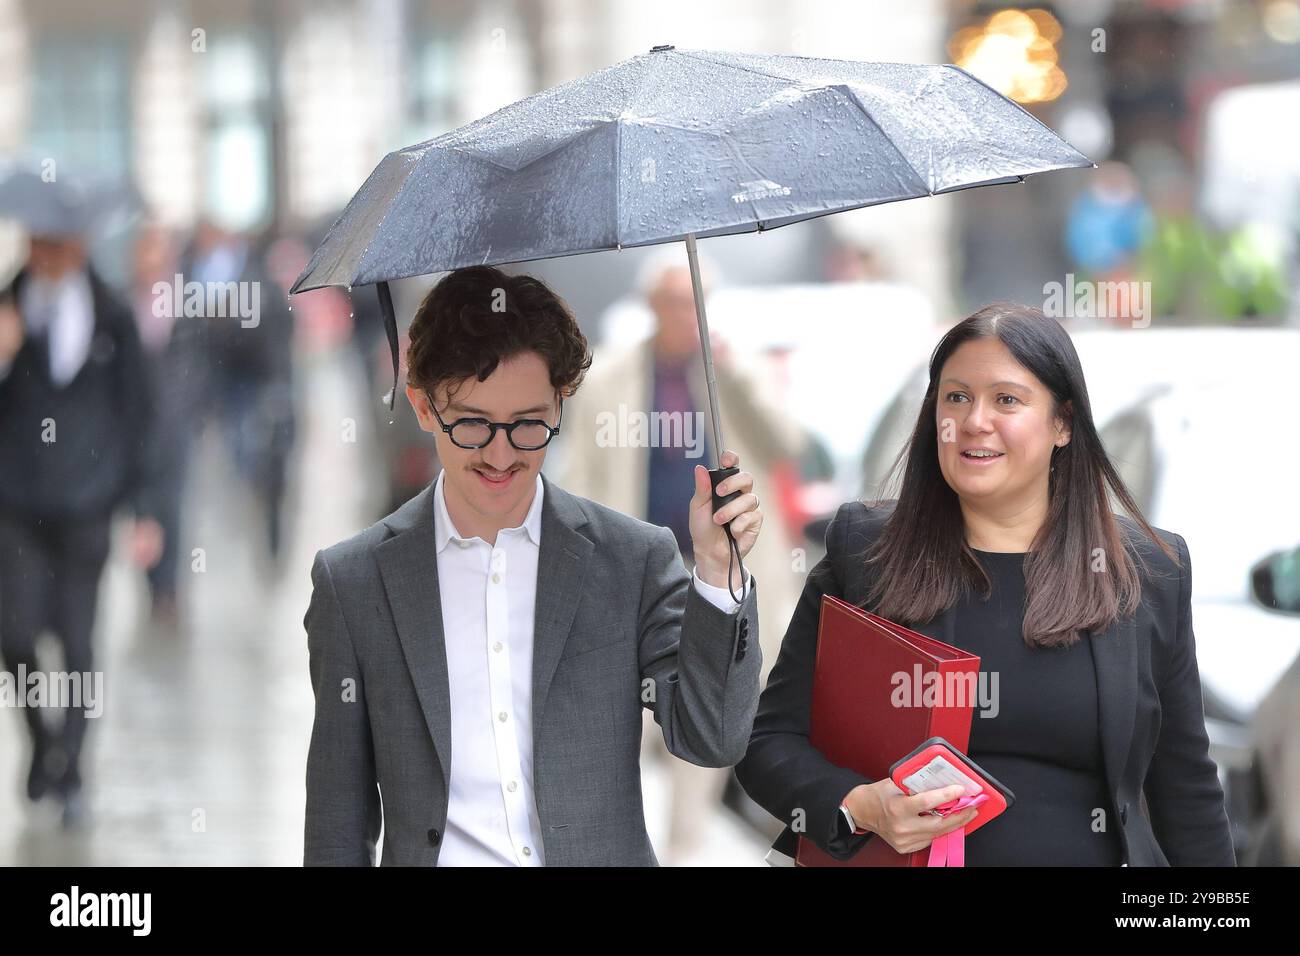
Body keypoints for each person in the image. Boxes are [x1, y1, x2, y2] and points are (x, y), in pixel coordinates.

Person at [736, 302, 1235, 866]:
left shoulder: (1148, 570)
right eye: (956, 397)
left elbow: (1186, 786)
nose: (975, 420)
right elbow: (767, 745)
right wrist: (861, 807)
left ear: (1063, 423)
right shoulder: (866, 553)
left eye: (1007, 400)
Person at [303, 265, 764, 866]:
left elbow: (712, 737)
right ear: (421, 404)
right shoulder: (353, 583)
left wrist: (716, 572)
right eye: (471, 425)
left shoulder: (632, 560)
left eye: (527, 425)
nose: (500, 455)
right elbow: (338, 827)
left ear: (561, 401)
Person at [553, 250, 807, 861]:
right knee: (622, 720)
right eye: (670, 303)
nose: (681, 315)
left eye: (690, 303)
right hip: (637, 576)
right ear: (649, 307)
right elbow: (580, 481)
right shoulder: (612, 378)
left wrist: (735, 376)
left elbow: (787, 446)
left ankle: (684, 849)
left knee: (708, 712)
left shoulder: (726, 378)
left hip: (713, 577)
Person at [0, 231, 159, 827]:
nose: (49, 258)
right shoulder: (7, 306)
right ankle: (41, 743)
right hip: (15, 502)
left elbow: (140, 411)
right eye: (40, 245)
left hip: (90, 502)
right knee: (14, 633)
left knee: (76, 639)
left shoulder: (112, 314)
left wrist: (144, 508)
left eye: (61, 246)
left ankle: (73, 768)